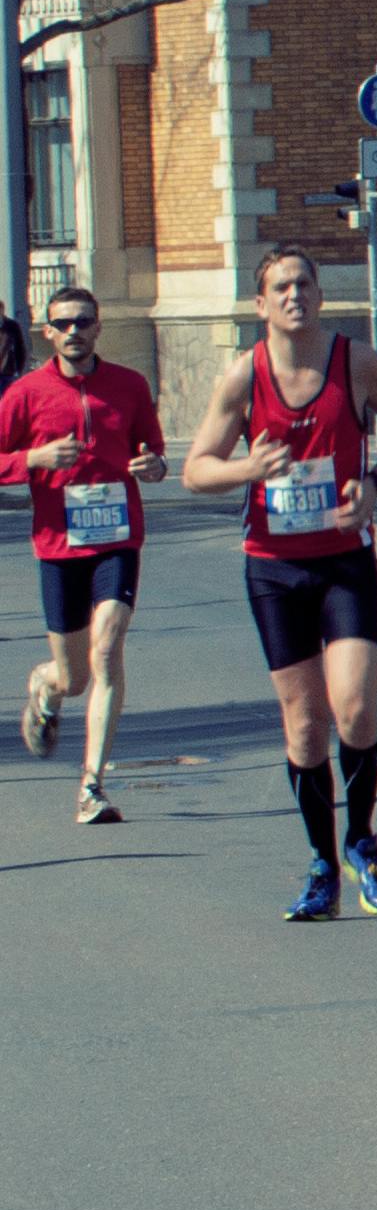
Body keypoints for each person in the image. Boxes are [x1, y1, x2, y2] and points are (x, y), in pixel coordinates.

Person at [183, 248, 377, 921]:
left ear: (320, 295)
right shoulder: (243, 377)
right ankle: (322, 866)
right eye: (280, 288)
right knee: (304, 726)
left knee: (354, 709)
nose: (295, 296)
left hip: (345, 559)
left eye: (305, 285)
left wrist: (375, 483)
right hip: (274, 567)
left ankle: (362, 841)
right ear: (260, 304)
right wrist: (248, 469)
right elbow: (196, 469)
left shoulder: (356, 362)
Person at [9, 281, 158, 824]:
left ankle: (91, 784)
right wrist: (34, 457)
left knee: (107, 649)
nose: (75, 331)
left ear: (98, 327)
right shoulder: (25, 394)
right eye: (64, 323)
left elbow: (153, 450)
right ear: (48, 333)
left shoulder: (129, 386)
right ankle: (44, 688)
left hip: (117, 539)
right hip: (58, 545)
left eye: (84, 322)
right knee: (74, 677)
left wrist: (155, 466)